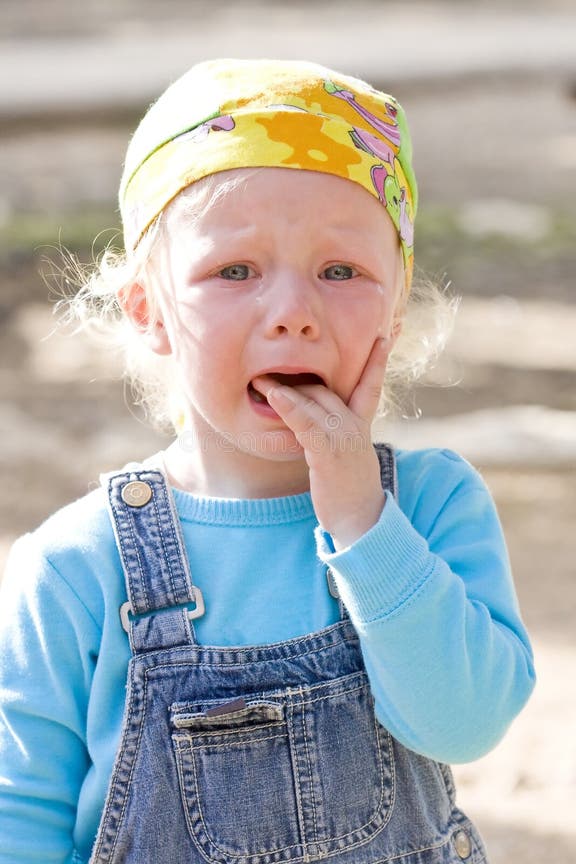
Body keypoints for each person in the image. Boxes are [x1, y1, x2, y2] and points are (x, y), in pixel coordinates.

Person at [0, 59, 535, 864]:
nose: (293, 314)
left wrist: (362, 520)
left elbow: (464, 723)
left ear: (394, 307)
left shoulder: (430, 506)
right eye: (235, 271)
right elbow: (20, 819)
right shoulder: (77, 567)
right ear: (149, 311)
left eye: (340, 271)